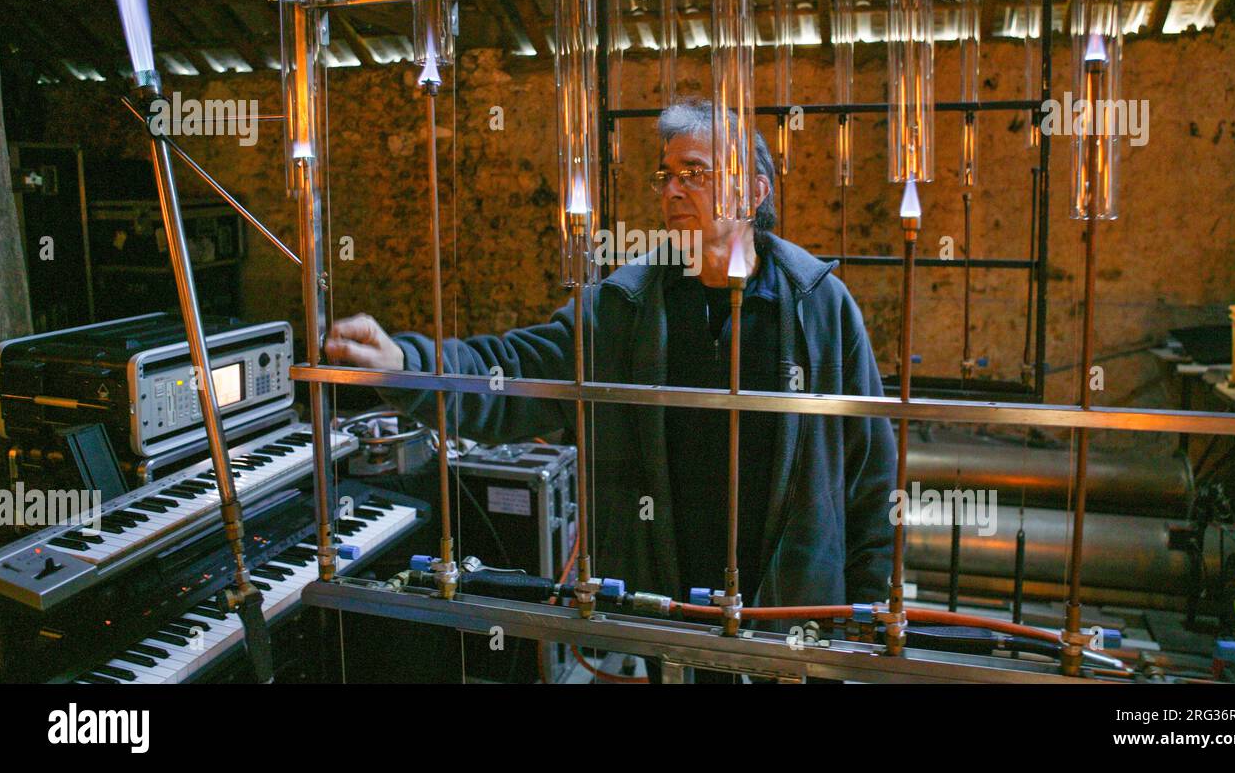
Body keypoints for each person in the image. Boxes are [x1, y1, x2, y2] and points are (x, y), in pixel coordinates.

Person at [325, 98, 898, 673]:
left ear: (754, 191)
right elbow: (514, 370)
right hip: (671, 603)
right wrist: (404, 361)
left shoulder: (818, 306)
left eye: (694, 174)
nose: (672, 190)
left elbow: (870, 470)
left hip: (792, 606)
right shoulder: (626, 307)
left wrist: (866, 610)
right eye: (665, 176)